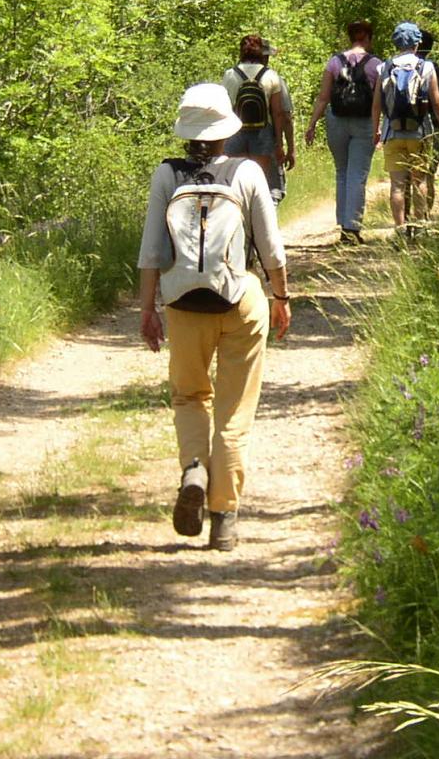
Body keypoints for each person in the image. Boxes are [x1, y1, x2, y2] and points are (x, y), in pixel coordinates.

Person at [138, 83, 291, 551]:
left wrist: (148, 308)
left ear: (186, 132)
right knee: (234, 411)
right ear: (228, 130)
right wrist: (281, 297)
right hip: (239, 300)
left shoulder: (167, 175)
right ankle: (224, 517)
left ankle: (194, 471)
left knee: (189, 397)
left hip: (183, 303)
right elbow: (270, 247)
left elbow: (151, 250)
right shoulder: (246, 172)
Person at [305, 20, 383, 244]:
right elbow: (377, 102)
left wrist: (312, 125)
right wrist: (378, 126)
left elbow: (323, 97)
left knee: (342, 172)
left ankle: (343, 225)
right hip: (364, 122)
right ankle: (352, 228)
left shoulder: (334, 62)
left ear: (350, 37)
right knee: (357, 175)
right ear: (368, 37)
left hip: (336, 120)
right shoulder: (376, 64)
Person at [372, 21, 439, 242]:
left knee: (397, 184)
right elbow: (437, 103)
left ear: (396, 42)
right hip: (420, 133)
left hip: (392, 133)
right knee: (419, 181)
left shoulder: (384, 67)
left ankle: (399, 230)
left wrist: (376, 130)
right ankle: (420, 226)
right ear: (417, 43)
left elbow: (376, 104)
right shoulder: (427, 67)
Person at [222, 34, 288, 196]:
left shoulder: (230, 75)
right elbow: (278, 113)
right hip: (262, 134)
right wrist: (279, 143)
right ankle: (260, 218)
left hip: (234, 132)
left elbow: (224, 109)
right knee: (261, 183)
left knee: (237, 183)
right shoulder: (271, 76)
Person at [417, 29, 439, 215]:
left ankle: (404, 219)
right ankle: (425, 215)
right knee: (428, 173)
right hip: (433, 127)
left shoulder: (397, 67)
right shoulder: (436, 70)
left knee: (406, 175)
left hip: (405, 126)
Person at [261, 39, 295, 204]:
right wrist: (289, 149)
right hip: (268, 140)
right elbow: (285, 117)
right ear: (267, 58)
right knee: (273, 191)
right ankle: (267, 227)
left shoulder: (232, 76)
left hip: (237, 142)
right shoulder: (274, 79)